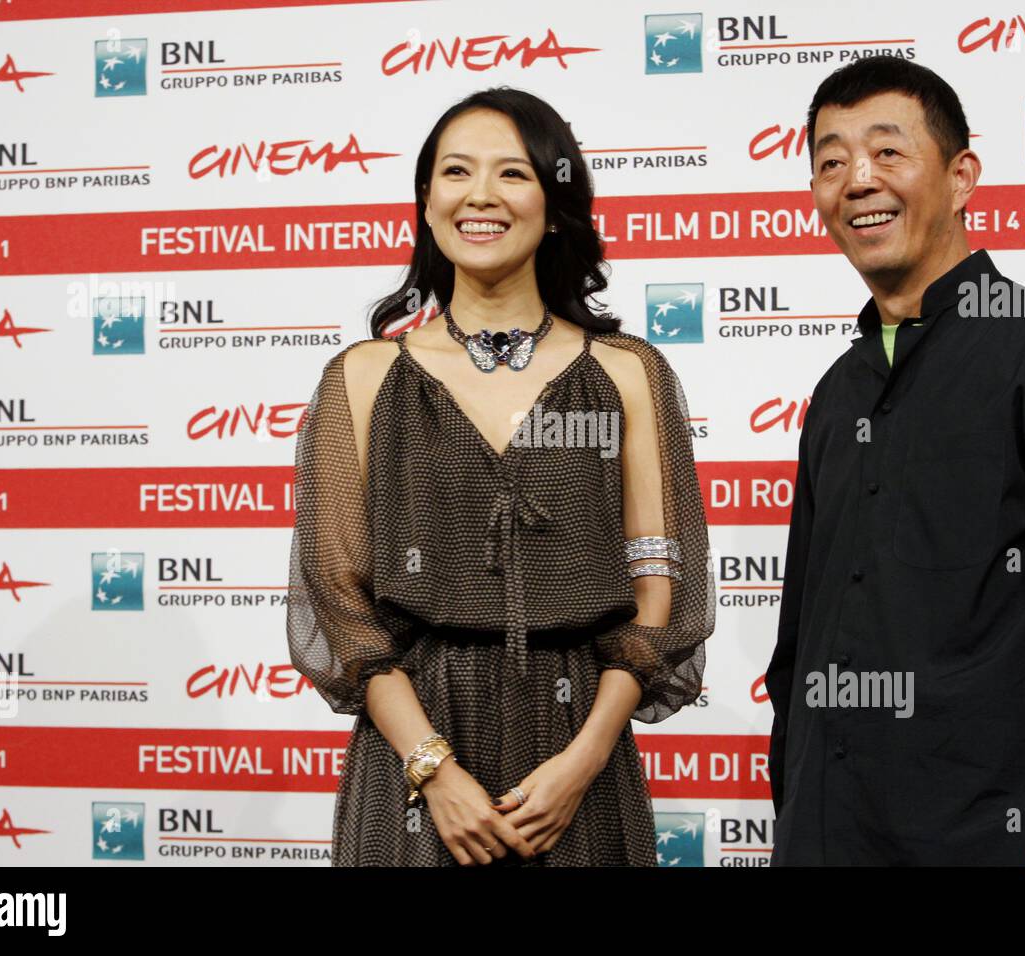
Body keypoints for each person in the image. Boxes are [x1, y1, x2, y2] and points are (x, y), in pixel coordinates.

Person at [286, 87, 714, 866]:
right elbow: (341, 602)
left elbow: (660, 592)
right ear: (426, 201)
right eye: (456, 172)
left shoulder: (626, 374)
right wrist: (434, 771)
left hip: (578, 747)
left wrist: (581, 765)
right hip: (413, 760)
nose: (480, 195)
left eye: (512, 174)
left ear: (555, 206)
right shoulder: (361, 377)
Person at [766, 56, 1025, 866]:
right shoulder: (837, 391)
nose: (857, 181)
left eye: (887, 152)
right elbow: (802, 632)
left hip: (989, 838)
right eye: (831, 163)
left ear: (962, 174)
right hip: (828, 830)